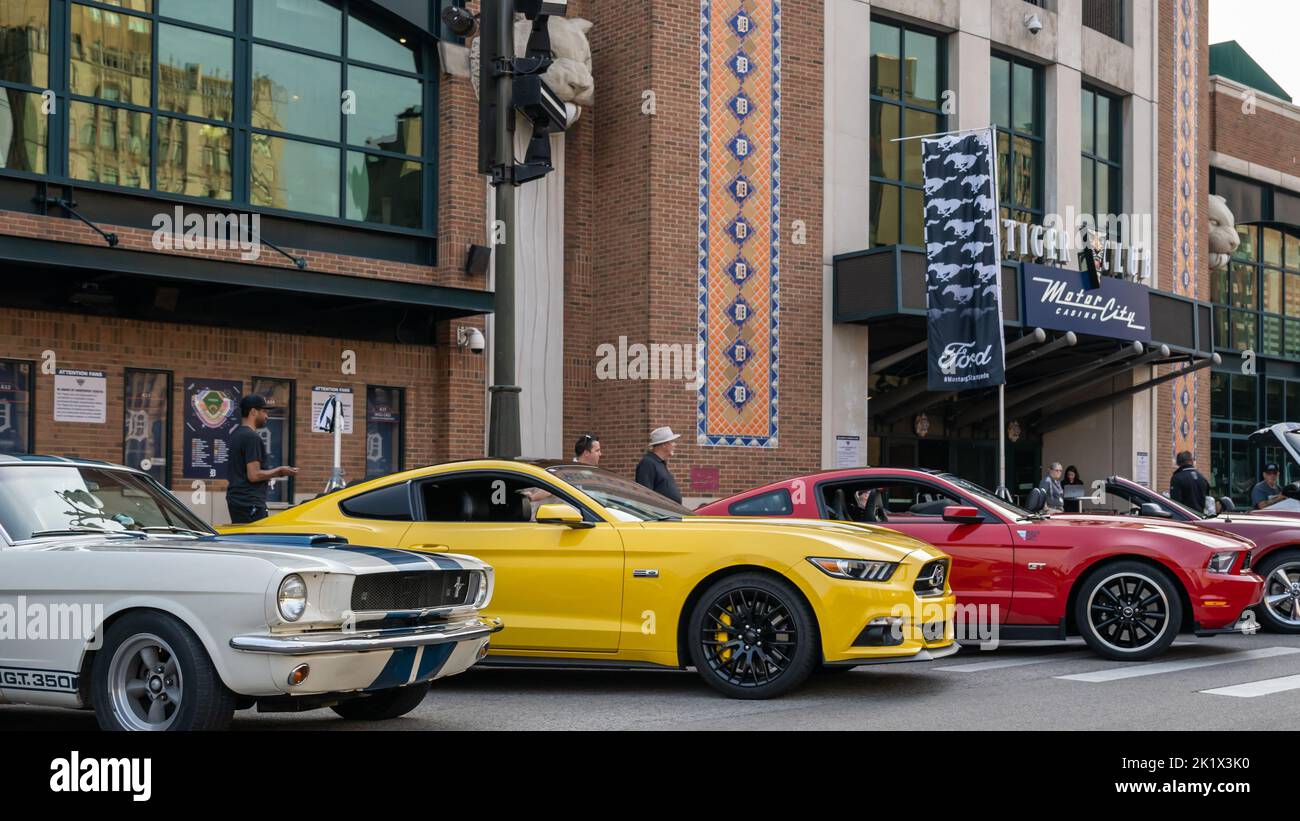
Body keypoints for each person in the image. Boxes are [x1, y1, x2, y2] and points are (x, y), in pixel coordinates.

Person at [227, 395, 298, 524]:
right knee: (255, 542)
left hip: (237, 502)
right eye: (264, 411)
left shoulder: (237, 435)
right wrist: (280, 470)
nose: (267, 416)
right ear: (253, 412)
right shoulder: (251, 437)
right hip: (250, 503)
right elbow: (254, 475)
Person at [635, 426, 682, 503]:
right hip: (659, 513)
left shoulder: (659, 463)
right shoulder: (648, 463)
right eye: (672, 442)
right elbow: (645, 493)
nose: (675, 445)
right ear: (664, 445)